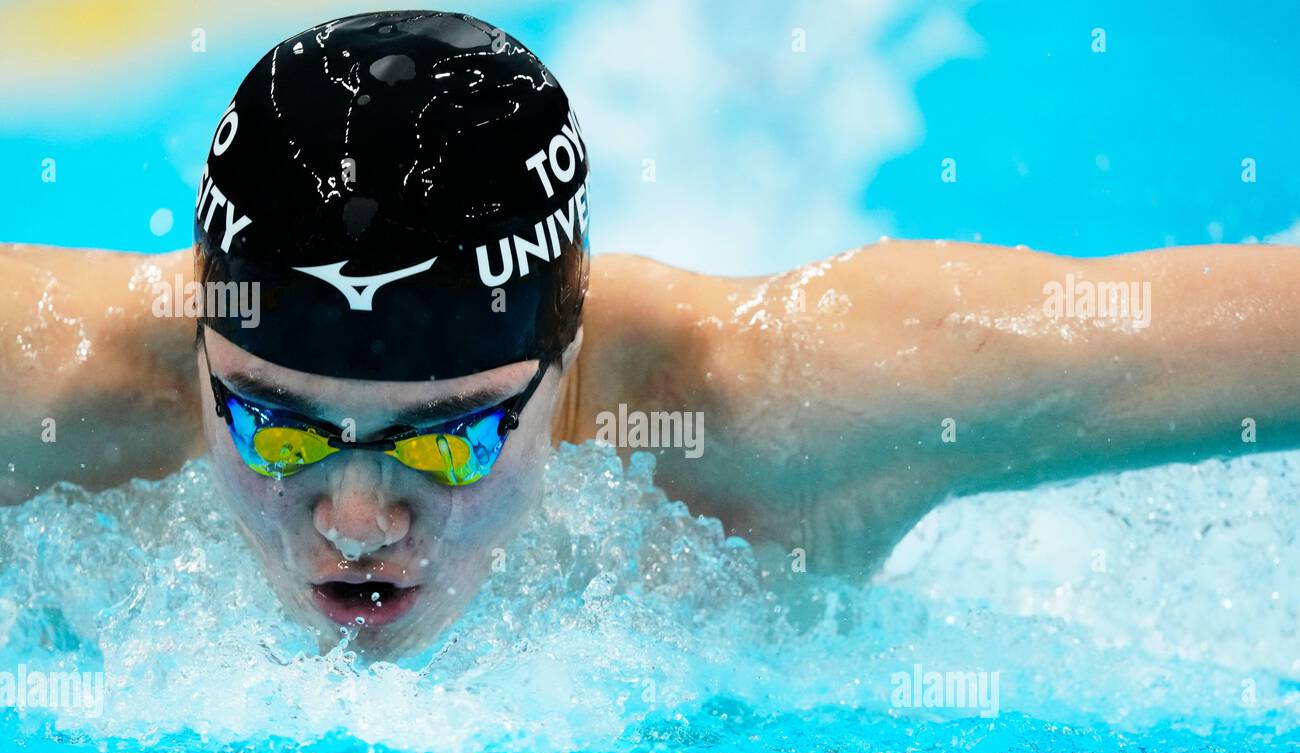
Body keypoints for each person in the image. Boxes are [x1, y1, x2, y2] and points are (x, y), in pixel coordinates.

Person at [2, 11, 1298, 660]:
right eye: (273, 426)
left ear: (572, 356)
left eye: (444, 443)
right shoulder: (48, 385)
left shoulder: (805, 408)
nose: (352, 516)